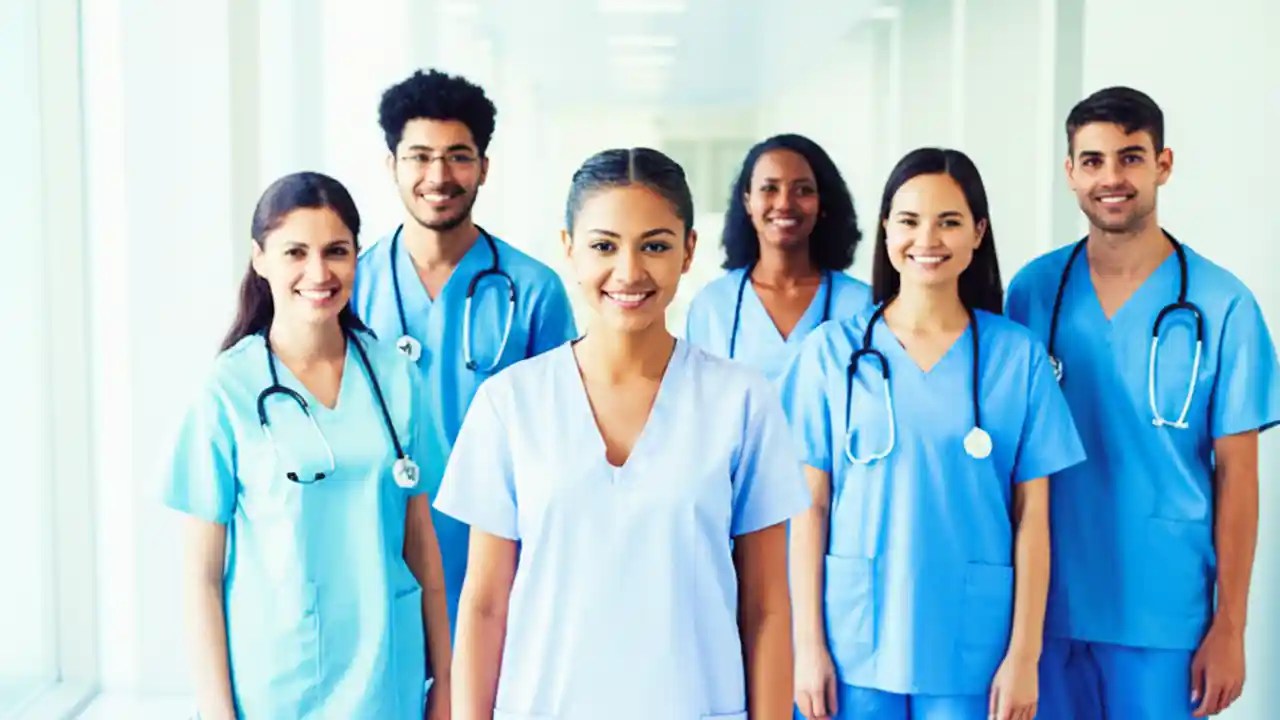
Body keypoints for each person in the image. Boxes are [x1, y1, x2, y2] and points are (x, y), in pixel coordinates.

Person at [435, 148, 809, 720]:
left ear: (688, 252)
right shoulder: (511, 404)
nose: (629, 272)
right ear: (569, 249)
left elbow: (767, 608)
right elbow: (485, 606)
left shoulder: (740, 401)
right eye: (604, 246)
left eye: (655, 245)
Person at [780, 148, 1086, 720]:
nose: (929, 239)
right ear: (886, 231)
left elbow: (1034, 520)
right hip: (854, 640)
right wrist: (807, 646)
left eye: (949, 221)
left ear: (978, 233)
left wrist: (1024, 655)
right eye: (910, 221)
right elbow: (809, 510)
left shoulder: (1015, 357)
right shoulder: (830, 353)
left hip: (971, 647)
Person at [1005, 86, 1280, 719]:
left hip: (1163, 613)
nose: (1112, 178)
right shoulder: (1033, 292)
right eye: (1094, 160)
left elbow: (1239, 476)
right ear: (1070, 171)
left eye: (1130, 158)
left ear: (1163, 164)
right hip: (1045, 607)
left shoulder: (1222, 304)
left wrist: (1230, 626)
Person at [163, 172, 451, 718]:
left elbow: (422, 550)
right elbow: (201, 574)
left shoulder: (396, 377)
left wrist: (447, 687)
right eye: (295, 251)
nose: (319, 272)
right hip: (273, 684)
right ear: (260, 259)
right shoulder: (230, 389)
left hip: (386, 677)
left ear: (356, 257)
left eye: (336, 251)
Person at [353, 69, 578, 633]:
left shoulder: (533, 290)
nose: (438, 175)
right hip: (377, 551)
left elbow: (562, 441)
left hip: (497, 556)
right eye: (420, 156)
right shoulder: (350, 287)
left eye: (458, 156)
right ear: (392, 165)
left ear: (483, 166)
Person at [685, 133, 871, 380]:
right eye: (769, 189)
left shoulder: (862, 306)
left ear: (822, 203)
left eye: (803, 190)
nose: (784, 203)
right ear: (748, 201)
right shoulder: (713, 306)